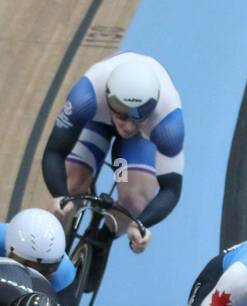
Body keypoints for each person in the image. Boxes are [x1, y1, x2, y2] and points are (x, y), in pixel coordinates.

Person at [42, 52, 185, 285]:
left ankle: (104, 236)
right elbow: (54, 153)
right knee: (72, 187)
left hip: (142, 138)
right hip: (96, 120)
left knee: (136, 202)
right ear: (109, 97)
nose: (128, 126)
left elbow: (171, 189)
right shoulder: (86, 97)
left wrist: (141, 224)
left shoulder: (167, 122)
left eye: (137, 117)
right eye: (123, 116)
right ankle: (47, 259)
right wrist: (62, 195)